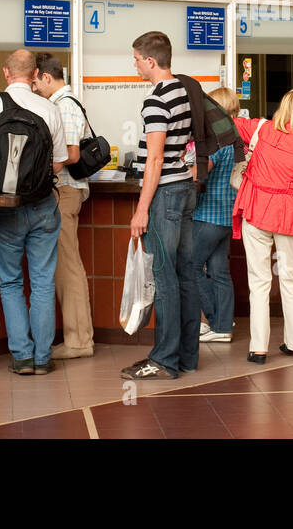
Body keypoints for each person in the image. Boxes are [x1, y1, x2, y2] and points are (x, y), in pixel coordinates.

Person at [0, 50, 68, 373]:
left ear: (7, 73)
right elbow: (59, 162)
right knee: (42, 281)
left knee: (9, 282)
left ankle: (21, 356)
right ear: (36, 74)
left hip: (6, 206)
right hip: (42, 206)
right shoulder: (50, 108)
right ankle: (42, 358)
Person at [122, 31, 199, 381]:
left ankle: (164, 360)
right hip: (183, 188)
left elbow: (154, 159)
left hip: (164, 194)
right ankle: (186, 356)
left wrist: (141, 210)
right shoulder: (182, 90)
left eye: (136, 59)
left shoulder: (156, 100)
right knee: (184, 275)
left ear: (150, 61)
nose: (135, 65)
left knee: (163, 278)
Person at [233, 89, 293, 363]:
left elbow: (228, 122)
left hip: (257, 209)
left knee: (258, 281)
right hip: (289, 214)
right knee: (291, 278)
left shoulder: (262, 129)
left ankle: (258, 348)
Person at [31, 53, 94, 360]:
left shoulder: (64, 105)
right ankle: (77, 338)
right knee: (66, 266)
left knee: (68, 267)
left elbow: (70, 154)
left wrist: (39, 164)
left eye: (35, 82)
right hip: (67, 191)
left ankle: (79, 341)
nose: (34, 89)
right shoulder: (63, 103)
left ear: (46, 76)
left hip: (66, 191)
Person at [194, 86, 241, 344]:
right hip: (227, 215)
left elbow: (201, 172)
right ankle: (223, 326)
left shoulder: (216, 139)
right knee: (220, 272)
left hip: (208, 214)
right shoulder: (236, 139)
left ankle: (212, 319)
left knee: (190, 267)